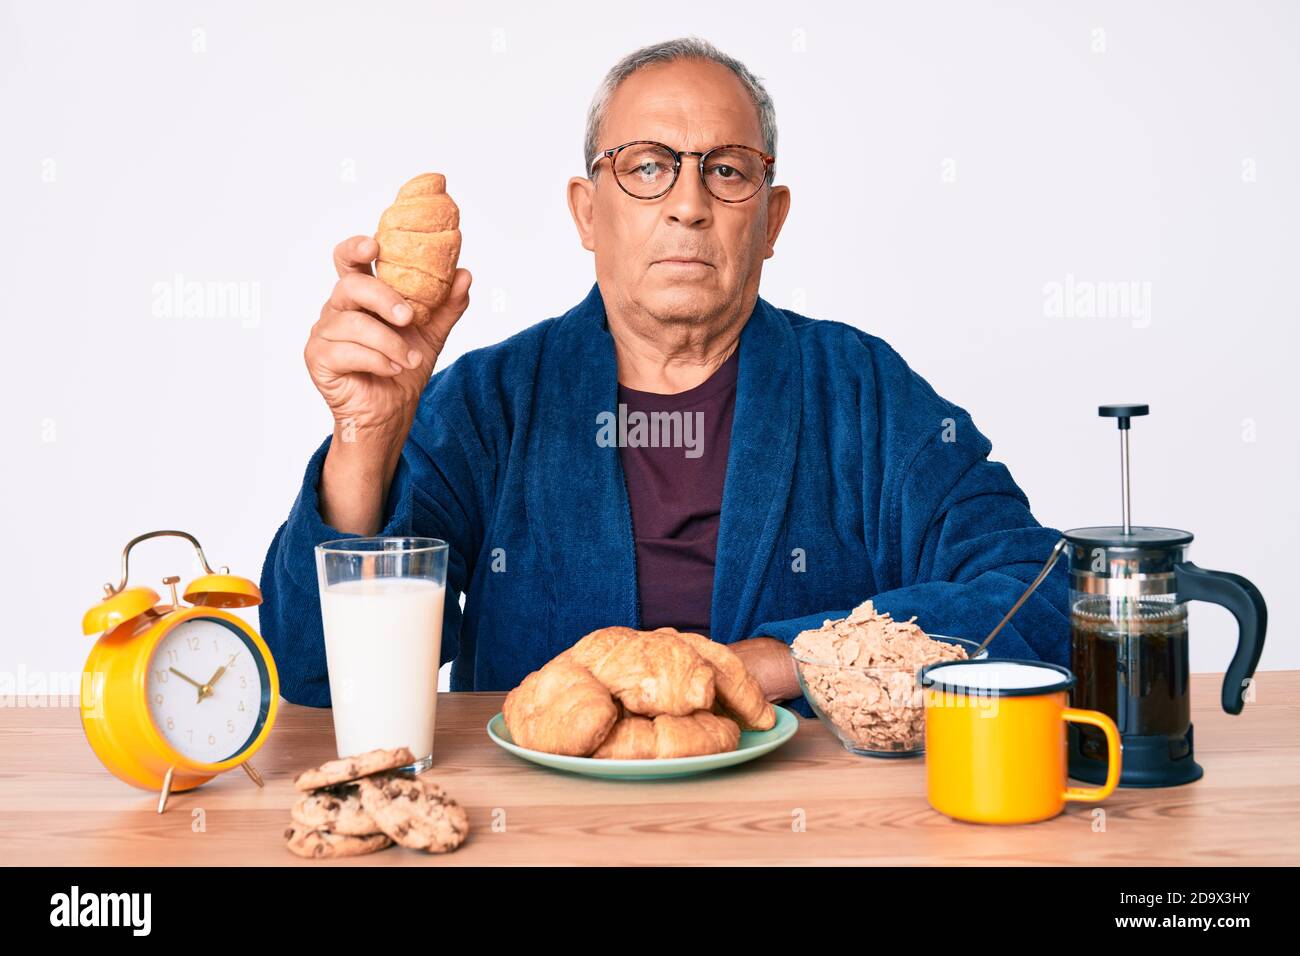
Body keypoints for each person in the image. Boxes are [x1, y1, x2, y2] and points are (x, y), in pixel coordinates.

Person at [259, 36, 1070, 718]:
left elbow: (1043, 597)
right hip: (543, 834)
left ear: (772, 217)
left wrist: (772, 664)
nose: (688, 203)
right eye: (647, 166)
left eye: (726, 169)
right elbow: (317, 678)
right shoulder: (487, 403)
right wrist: (366, 437)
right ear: (586, 211)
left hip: (803, 829)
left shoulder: (862, 391)